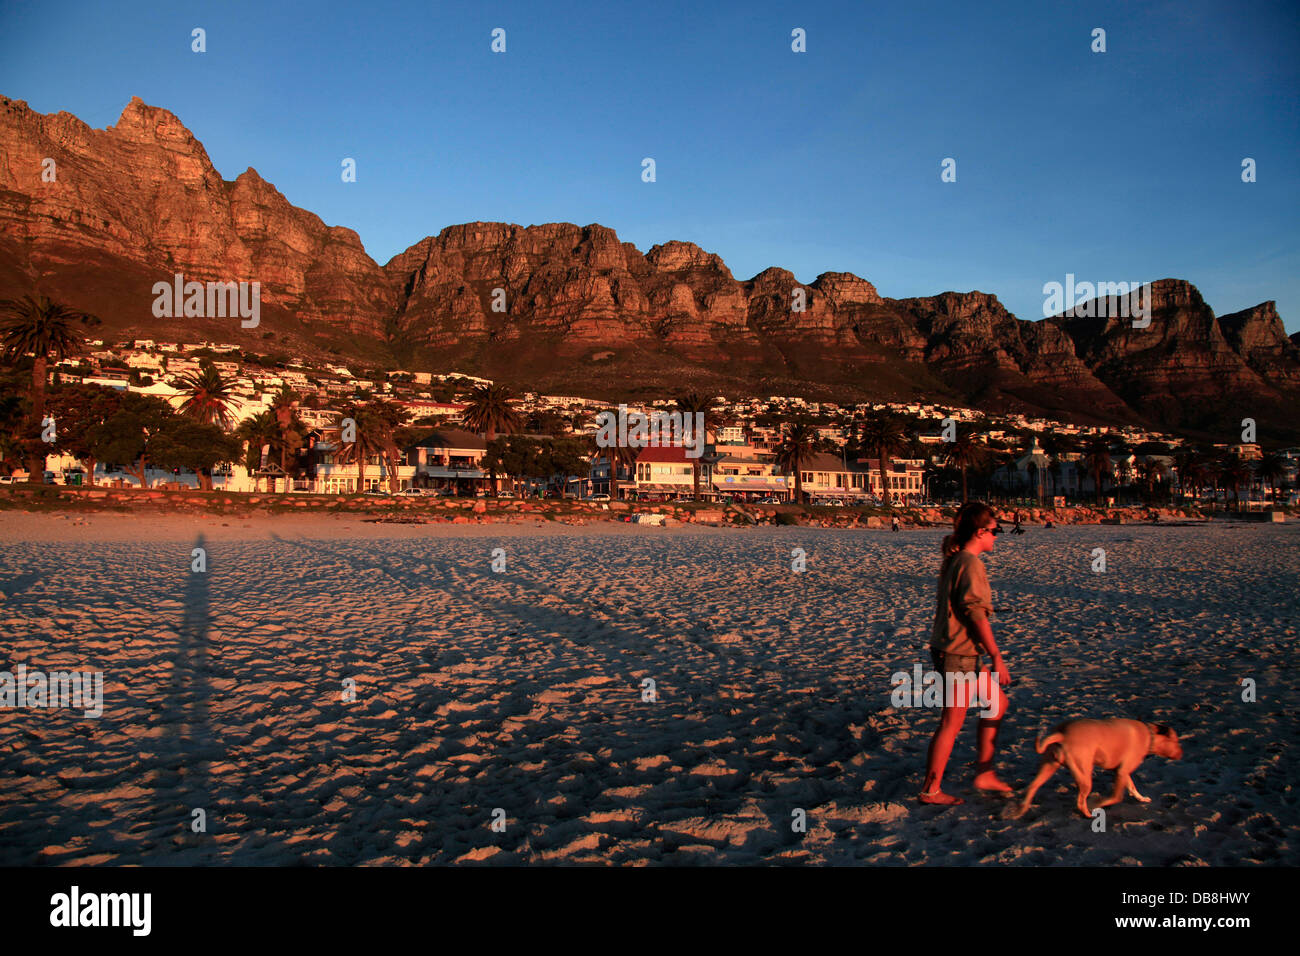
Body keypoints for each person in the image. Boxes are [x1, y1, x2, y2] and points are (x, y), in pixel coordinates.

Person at [919, 501, 1013, 805]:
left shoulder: (959, 558)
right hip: (956, 654)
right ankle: (931, 790)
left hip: (960, 651)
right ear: (981, 531)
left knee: (997, 703)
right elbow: (975, 614)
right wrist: (996, 655)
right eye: (996, 530)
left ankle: (985, 771)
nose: (998, 536)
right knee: (952, 722)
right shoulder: (969, 563)